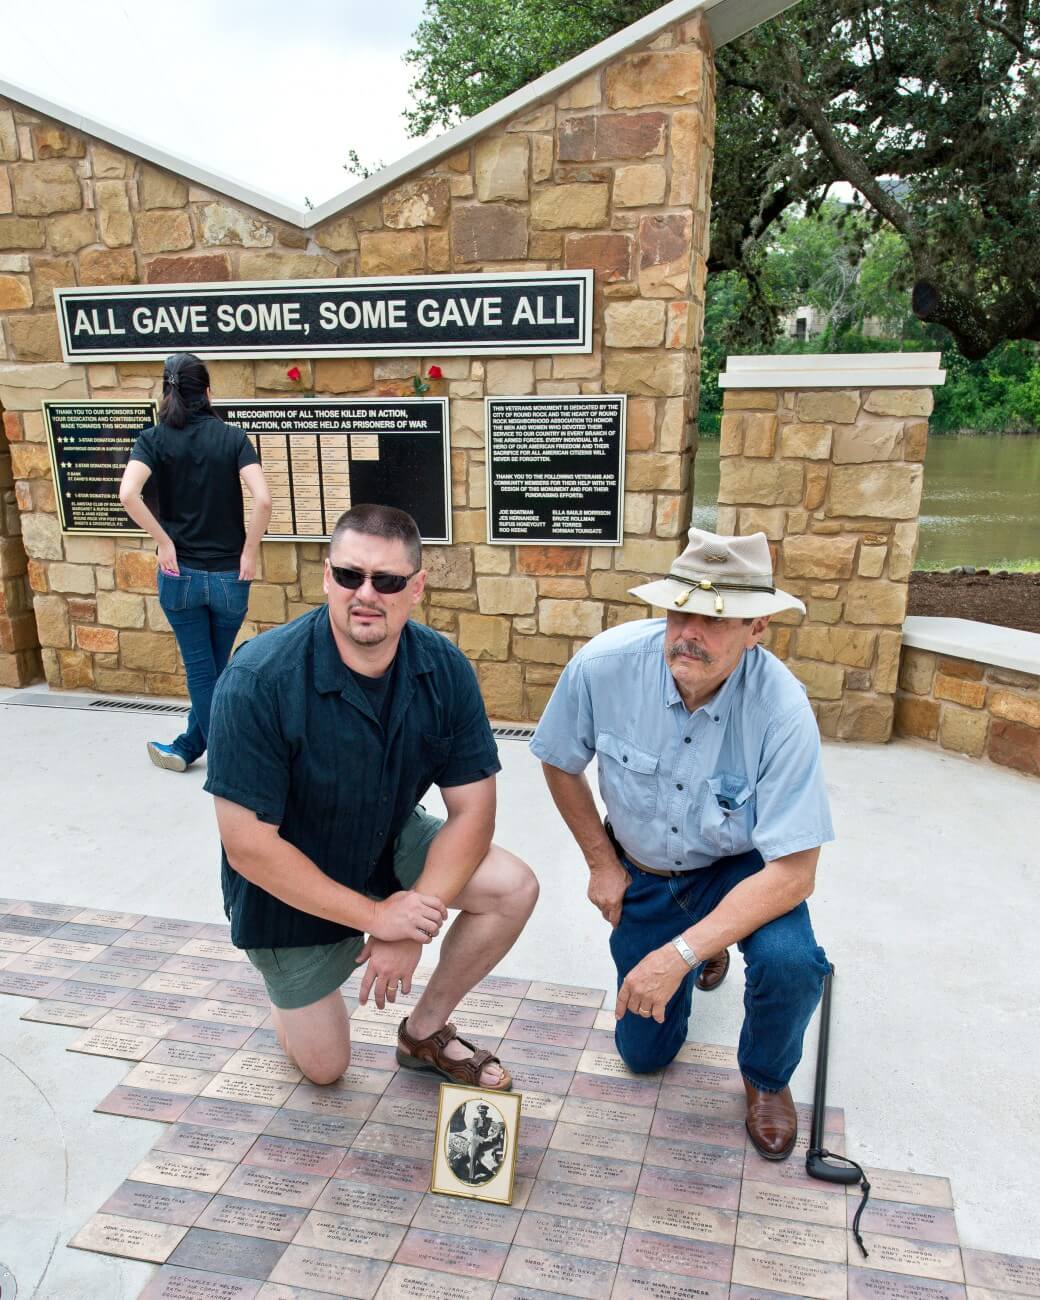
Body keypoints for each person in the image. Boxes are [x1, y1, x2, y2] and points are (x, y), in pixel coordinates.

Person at [205, 503, 538, 1090]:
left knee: (513, 887)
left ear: (416, 588)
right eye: (350, 575)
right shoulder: (258, 679)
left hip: (385, 833)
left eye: (387, 581)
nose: (367, 594)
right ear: (327, 576)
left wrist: (410, 921)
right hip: (286, 883)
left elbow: (474, 811)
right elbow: (248, 847)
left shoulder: (444, 668)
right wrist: (379, 917)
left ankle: (425, 1031)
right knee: (327, 1070)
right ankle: (288, 995)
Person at [531, 526, 833, 1161]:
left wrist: (682, 952)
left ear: (758, 629)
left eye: (716, 619)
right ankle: (704, 948)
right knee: (644, 1058)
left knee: (791, 963)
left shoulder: (782, 711)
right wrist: (601, 863)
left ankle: (766, 1077)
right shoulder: (602, 667)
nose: (691, 631)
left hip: (737, 869)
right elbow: (559, 760)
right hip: (641, 868)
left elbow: (796, 872)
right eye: (681, 609)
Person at [118, 353, 271, 773]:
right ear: (207, 391)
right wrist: (250, 550)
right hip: (229, 577)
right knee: (215, 670)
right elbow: (263, 499)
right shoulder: (233, 438)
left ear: (168, 393)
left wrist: (164, 541)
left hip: (179, 575)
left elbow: (128, 494)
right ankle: (188, 745)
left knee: (203, 673)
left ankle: (230, 758)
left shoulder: (152, 439)